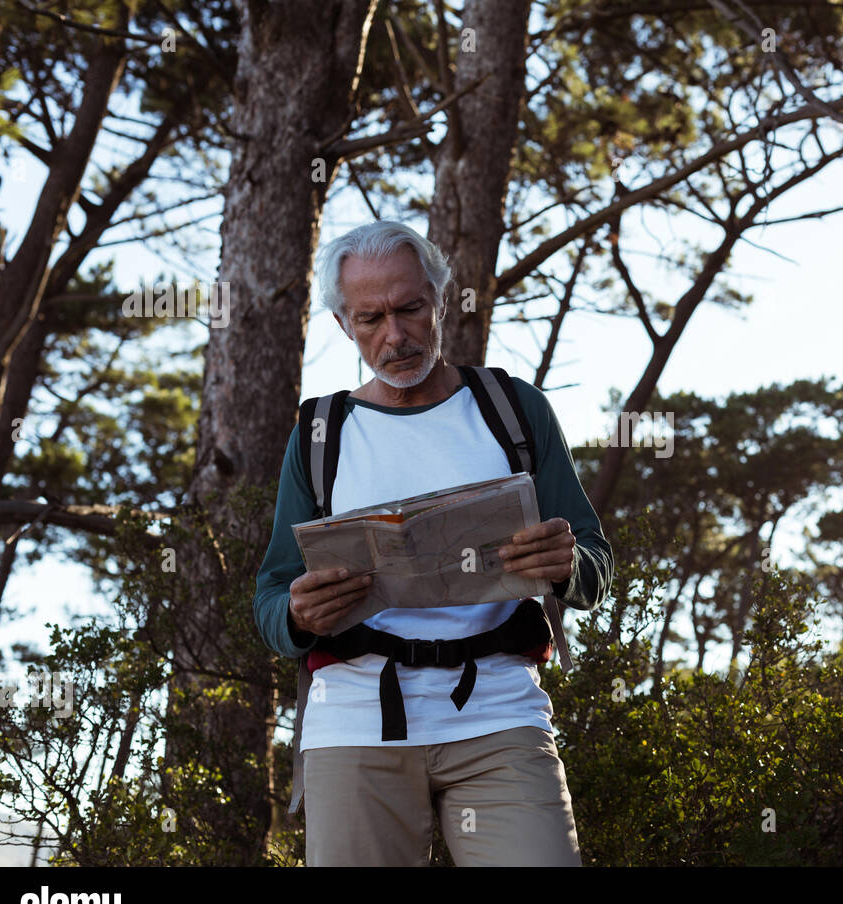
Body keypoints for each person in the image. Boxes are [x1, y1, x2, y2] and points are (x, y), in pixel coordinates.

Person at [253, 220, 613, 866]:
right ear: (343, 325)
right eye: (370, 319)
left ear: (440, 299)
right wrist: (298, 615)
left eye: (411, 309)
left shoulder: (512, 409)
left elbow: (594, 561)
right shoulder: (320, 433)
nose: (395, 336)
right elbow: (272, 598)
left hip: (500, 716)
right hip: (357, 721)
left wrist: (568, 567)